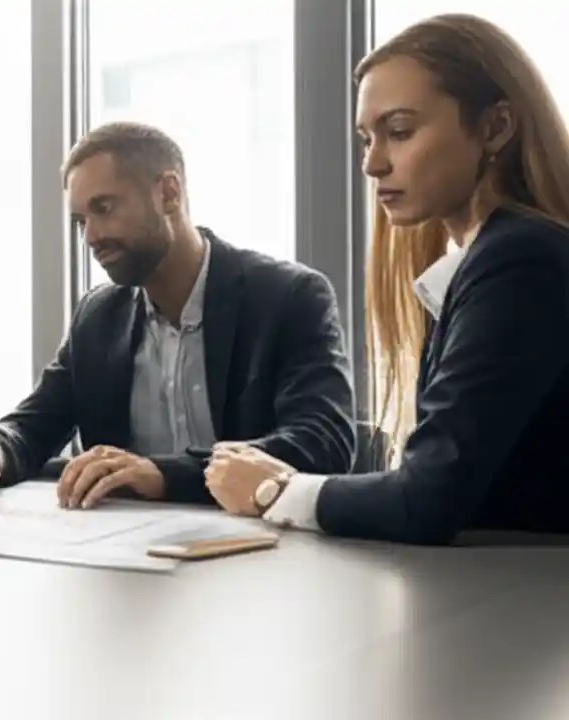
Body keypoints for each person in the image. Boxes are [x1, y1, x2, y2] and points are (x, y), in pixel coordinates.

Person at [204, 14, 569, 545]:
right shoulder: (481, 264)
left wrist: (276, 492)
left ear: (495, 128)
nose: (373, 163)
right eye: (366, 138)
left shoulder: (519, 259)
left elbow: (428, 498)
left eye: (398, 132)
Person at [0, 122, 356, 509]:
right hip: (131, 563)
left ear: (169, 193)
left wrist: (164, 476)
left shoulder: (289, 297)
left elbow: (323, 441)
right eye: (81, 220)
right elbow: (32, 428)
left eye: (104, 208)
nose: (91, 237)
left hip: (268, 558)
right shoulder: (97, 318)